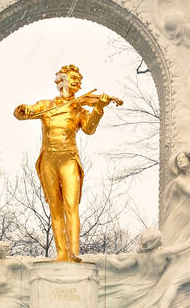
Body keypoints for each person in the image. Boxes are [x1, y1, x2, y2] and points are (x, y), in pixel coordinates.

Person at [13, 64, 121, 262]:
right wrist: (22, 109)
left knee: (71, 205)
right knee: (55, 206)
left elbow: (89, 129)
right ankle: (62, 253)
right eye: (67, 79)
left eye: (74, 81)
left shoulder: (79, 109)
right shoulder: (46, 105)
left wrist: (98, 107)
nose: (74, 83)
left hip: (69, 158)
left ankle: (74, 252)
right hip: (48, 159)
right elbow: (21, 114)